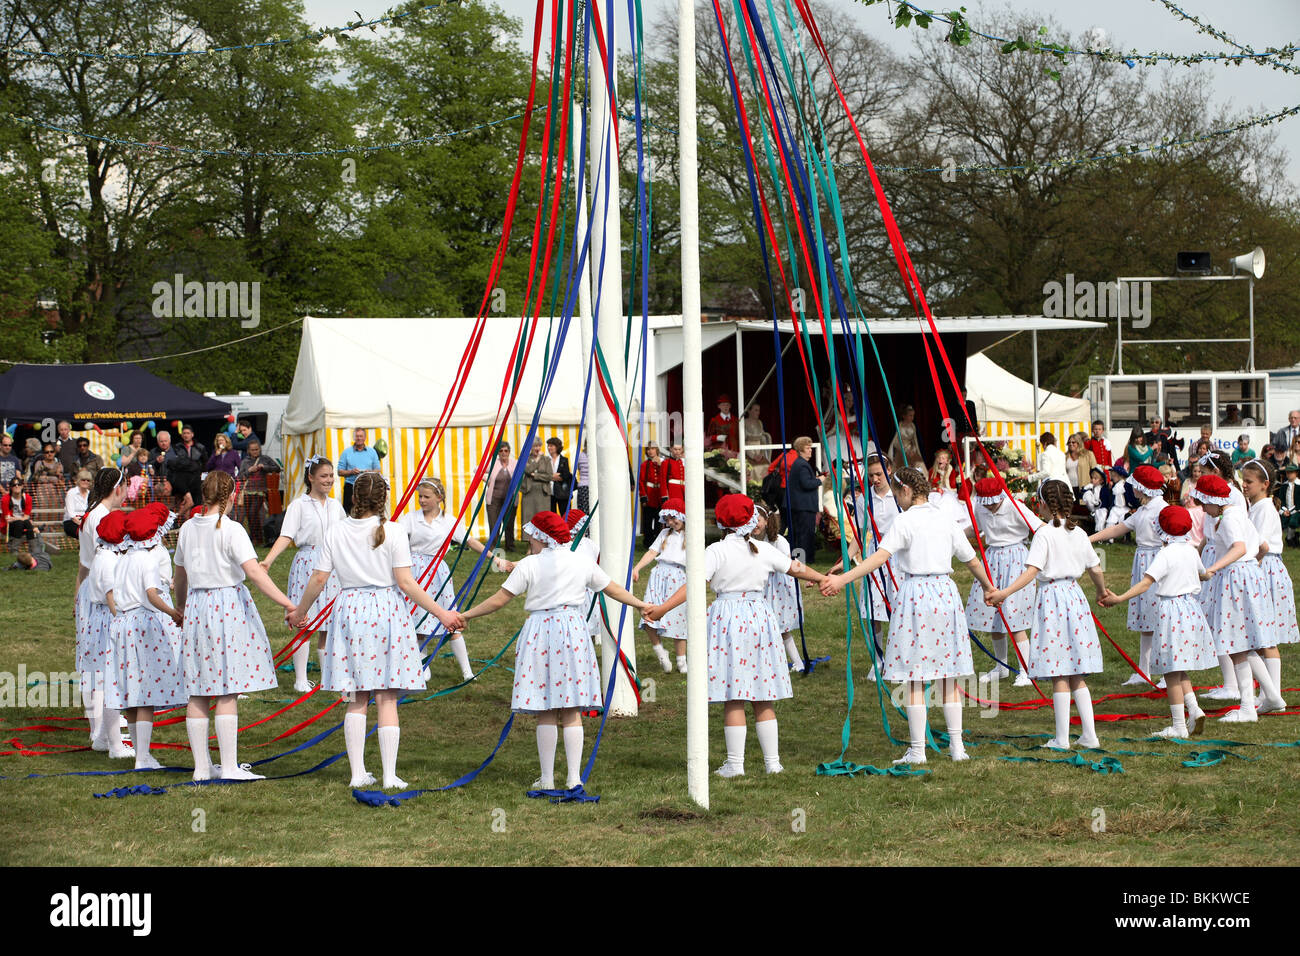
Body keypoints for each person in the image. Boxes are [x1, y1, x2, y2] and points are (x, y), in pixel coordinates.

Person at [290, 472, 465, 789]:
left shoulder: (337, 531)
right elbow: (407, 583)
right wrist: (443, 613)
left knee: (357, 695)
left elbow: (318, 578)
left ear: (353, 498)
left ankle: (358, 774)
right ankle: (388, 775)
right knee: (386, 696)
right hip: (386, 610)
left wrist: (300, 611)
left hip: (350, 610)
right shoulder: (394, 531)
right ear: (383, 499)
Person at [462, 511, 647, 792]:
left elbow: (500, 600)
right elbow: (613, 589)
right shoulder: (580, 562)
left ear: (540, 536)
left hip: (539, 633)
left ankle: (548, 778)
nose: (529, 542)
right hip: (572, 631)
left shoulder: (530, 564)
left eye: (531, 537)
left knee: (545, 707)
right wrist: (641, 605)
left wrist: (466, 615)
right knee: (571, 708)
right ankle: (573, 777)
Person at [821, 468, 996, 764]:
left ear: (904, 491)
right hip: (945, 594)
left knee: (914, 678)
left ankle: (918, 750)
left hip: (916, 595)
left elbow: (879, 557)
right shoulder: (945, 518)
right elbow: (972, 559)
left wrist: (842, 579)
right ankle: (957, 747)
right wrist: (990, 588)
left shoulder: (904, 520)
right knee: (947, 675)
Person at [647, 494, 826, 776]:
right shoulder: (762, 548)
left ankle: (735, 764)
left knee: (733, 694)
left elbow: (693, 585)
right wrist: (822, 578)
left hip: (727, 619)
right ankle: (773, 763)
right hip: (759, 617)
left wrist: (661, 610)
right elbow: (796, 567)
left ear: (720, 522)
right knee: (762, 695)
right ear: (750, 521)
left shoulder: (715, 551)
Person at [175, 471, 297, 782]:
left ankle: (202, 768)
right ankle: (227, 766)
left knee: (199, 690)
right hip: (225, 606)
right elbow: (255, 573)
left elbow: (181, 575)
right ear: (232, 497)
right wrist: (288, 603)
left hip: (198, 608)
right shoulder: (232, 530)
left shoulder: (187, 528)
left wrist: (181, 606)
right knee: (227, 689)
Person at [985, 480, 1107, 750]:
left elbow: (1031, 571)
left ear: (1044, 503)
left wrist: (1004, 593)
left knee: (1059, 672)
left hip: (1052, 599)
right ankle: (1089, 734)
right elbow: (1096, 568)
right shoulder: (1078, 532)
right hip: (1075, 598)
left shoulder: (1044, 534)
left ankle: (1062, 739)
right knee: (1076, 671)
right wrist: (1101, 592)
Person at [1099, 506, 1214, 738]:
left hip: (1172, 611)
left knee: (1170, 671)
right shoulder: (1191, 551)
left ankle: (1179, 726)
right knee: (1178, 665)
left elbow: (1145, 583)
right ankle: (1194, 709)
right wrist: (1207, 573)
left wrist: (1119, 598)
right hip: (1191, 609)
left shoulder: (1166, 554)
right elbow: (1203, 573)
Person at [1190, 473, 1286, 722]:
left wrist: (1212, 568)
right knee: (1241, 641)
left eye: (1204, 503)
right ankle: (1272, 697)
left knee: (1235, 642)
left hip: (1236, 579)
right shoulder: (1236, 515)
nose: (1203, 509)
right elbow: (1261, 547)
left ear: (1213, 500)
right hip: (1246, 576)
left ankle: (1247, 707)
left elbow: (1240, 547)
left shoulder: (1231, 517)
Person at [105, 507, 185, 771]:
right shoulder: (148, 559)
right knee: (146, 692)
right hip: (142, 625)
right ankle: (143, 757)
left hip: (122, 623)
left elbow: (116, 594)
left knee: (130, 690)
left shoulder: (123, 557)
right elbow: (152, 594)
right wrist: (173, 612)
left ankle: (141, 754)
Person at [261, 456, 345, 693]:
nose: (328, 480)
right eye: (323, 476)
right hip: (308, 563)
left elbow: (345, 536)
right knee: (304, 621)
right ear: (311, 477)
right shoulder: (299, 505)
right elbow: (286, 535)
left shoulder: (335, 505)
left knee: (328, 624)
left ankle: (328, 676)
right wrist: (267, 561)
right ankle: (300, 678)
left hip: (331, 567)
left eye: (331, 476)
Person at [399, 476, 495, 683]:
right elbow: (394, 538)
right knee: (417, 620)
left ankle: (467, 671)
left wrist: (493, 557)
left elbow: (470, 540)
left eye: (426, 497)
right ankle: (422, 667)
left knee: (452, 620)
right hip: (415, 572)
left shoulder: (449, 521)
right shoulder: (410, 518)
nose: (422, 500)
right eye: (420, 497)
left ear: (439, 498)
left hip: (438, 574)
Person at [1090, 465, 1168, 686]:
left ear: (1143, 488)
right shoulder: (1143, 511)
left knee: (1159, 618)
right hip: (1143, 561)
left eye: (1134, 486)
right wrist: (1090, 539)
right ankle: (1144, 671)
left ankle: (1165, 672)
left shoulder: (1161, 510)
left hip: (1157, 563)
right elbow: (1118, 529)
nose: (1130, 489)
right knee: (1146, 620)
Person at [965, 477, 1042, 688]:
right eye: (986, 502)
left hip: (1015, 560)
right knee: (993, 616)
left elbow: (1040, 528)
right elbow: (975, 529)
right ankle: (1001, 666)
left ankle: (1026, 669)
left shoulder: (1015, 506)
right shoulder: (981, 507)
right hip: (991, 560)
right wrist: (955, 533)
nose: (989, 506)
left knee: (1014, 616)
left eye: (993, 502)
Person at [78, 508, 134, 759]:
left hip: (97, 623)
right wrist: (120, 619)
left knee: (101, 679)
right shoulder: (110, 559)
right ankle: (115, 745)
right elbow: (111, 594)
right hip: (108, 622)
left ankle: (102, 736)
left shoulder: (101, 554)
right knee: (112, 683)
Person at [838, 454, 899, 682]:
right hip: (875, 554)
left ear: (889, 470)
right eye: (871, 475)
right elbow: (860, 533)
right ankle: (878, 660)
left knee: (897, 608)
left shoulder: (900, 495)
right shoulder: (865, 500)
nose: (874, 479)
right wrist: (845, 560)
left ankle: (897, 659)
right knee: (874, 612)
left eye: (879, 474)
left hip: (897, 553)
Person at [1197, 450, 1251, 699]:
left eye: (1205, 472)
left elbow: (1240, 539)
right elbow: (1208, 533)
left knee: (1224, 621)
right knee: (1214, 619)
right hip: (1213, 553)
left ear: (1216, 472)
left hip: (1224, 557)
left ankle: (1234, 685)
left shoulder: (1232, 498)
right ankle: (1229, 682)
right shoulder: (1217, 500)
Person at [1242, 459, 1296, 694]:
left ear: (1264, 484)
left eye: (1248, 482)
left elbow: (1261, 545)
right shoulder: (1256, 506)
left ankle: (1271, 693)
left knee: (1266, 636)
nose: (1244, 485)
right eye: (1243, 480)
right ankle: (1269, 693)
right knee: (1262, 636)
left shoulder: (1263, 508)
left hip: (1267, 569)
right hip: (1264, 567)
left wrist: (1249, 563)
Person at [631, 498, 687, 673]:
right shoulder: (664, 534)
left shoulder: (691, 535)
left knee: (679, 618)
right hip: (659, 576)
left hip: (679, 578)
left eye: (673, 518)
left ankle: (681, 661)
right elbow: (652, 552)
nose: (671, 522)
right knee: (648, 614)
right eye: (667, 519)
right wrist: (637, 567)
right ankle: (661, 653)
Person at [755, 504, 805, 672]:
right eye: (751, 520)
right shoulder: (751, 541)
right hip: (761, 586)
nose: (755, 524)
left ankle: (797, 662)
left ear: (767, 521)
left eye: (758, 520)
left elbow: (790, 563)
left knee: (780, 627)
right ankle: (768, 662)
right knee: (762, 626)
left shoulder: (778, 541)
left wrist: (805, 577)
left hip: (778, 589)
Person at [564, 508, 604, 649]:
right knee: (576, 628)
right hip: (574, 593)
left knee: (591, 623)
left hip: (590, 593)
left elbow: (600, 561)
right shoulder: (564, 547)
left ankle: (589, 652)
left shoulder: (589, 544)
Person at [786, 436, 822, 567]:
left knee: (802, 533)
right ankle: (801, 560)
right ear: (801, 449)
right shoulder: (802, 465)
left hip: (801, 505)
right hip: (803, 506)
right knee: (803, 534)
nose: (810, 450)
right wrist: (820, 480)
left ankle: (803, 559)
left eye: (810, 448)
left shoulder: (800, 463)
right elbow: (806, 484)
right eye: (807, 448)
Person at [237, 441, 281, 544]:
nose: (255, 451)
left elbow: (277, 469)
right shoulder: (245, 461)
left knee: (253, 512)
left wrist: (264, 467)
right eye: (253, 450)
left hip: (261, 491)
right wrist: (249, 470)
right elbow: (240, 476)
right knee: (250, 515)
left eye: (257, 449)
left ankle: (258, 538)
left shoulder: (265, 459)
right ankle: (254, 537)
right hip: (248, 491)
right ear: (248, 451)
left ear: (259, 449)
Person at [337, 428, 381, 515]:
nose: (359, 438)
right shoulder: (346, 452)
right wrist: (351, 472)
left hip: (367, 487)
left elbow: (378, 469)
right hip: (350, 487)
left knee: (367, 512)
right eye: (357, 436)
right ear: (354, 438)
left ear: (365, 438)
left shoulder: (372, 452)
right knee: (348, 513)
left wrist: (369, 472)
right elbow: (339, 471)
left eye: (361, 436)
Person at [484, 442, 517, 550]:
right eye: (501, 450)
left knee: (509, 523)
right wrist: (487, 480)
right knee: (494, 523)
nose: (503, 453)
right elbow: (477, 470)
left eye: (506, 450)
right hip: (494, 499)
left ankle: (510, 546)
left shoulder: (515, 463)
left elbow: (522, 473)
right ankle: (493, 546)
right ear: (498, 453)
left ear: (509, 452)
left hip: (510, 499)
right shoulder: (494, 463)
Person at [165, 427, 204, 508]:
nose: (186, 435)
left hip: (196, 479)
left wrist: (201, 473)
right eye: (184, 433)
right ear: (182, 435)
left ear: (192, 434)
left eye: (188, 433)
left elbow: (205, 462)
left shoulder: (200, 447)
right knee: (184, 503)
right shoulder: (177, 447)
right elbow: (175, 463)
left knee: (196, 505)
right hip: (183, 480)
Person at [638, 441, 666, 551]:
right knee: (648, 521)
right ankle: (648, 541)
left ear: (657, 450)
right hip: (649, 494)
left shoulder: (662, 463)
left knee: (659, 520)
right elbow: (641, 481)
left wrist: (660, 465)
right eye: (648, 449)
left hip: (659, 494)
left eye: (653, 448)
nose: (650, 451)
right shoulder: (644, 465)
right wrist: (643, 496)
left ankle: (658, 540)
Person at [520, 439, 552, 527]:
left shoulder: (546, 460)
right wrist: (537, 459)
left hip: (543, 492)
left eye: (538, 446)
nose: (537, 448)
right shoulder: (525, 458)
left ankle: (543, 538)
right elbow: (528, 470)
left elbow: (549, 476)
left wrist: (536, 475)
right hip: (528, 491)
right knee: (528, 516)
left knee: (543, 517)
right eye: (534, 446)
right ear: (530, 448)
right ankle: (528, 538)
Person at [2, 477, 40, 549]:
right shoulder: (5, 499)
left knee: (26, 522)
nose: (16, 486)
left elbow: (26, 516)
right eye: (14, 485)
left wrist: (16, 518)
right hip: (9, 526)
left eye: (19, 484)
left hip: (23, 524)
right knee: (22, 522)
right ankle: (16, 548)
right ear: (10, 487)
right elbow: (7, 519)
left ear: (22, 486)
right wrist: (21, 519)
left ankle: (33, 548)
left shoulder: (28, 498)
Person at [887, 404, 923, 472]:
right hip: (901, 450)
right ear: (904, 416)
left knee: (918, 464)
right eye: (910, 415)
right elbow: (895, 441)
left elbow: (914, 440)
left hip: (911, 450)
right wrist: (904, 449)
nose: (912, 418)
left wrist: (914, 450)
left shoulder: (913, 426)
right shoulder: (899, 426)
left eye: (913, 416)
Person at [744, 403, 772, 483]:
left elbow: (763, 439)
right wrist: (753, 455)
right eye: (756, 410)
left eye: (759, 410)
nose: (758, 412)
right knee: (754, 469)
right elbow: (743, 440)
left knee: (767, 467)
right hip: (748, 451)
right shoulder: (744, 422)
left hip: (759, 451)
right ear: (749, 411)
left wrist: (761, 454)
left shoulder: (760, 422)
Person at [1065, 432, 1098, 497]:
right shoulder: (1065, 456)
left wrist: (1093, 483)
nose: (1071, 444)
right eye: (1069, 442)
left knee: (1082, 506)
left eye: (1073, 442)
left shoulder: (1088, 454)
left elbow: (1095, 471)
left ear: (1078, 443)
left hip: (1084, 488)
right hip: (1069, 488)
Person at [1275, 461, 1300, 545]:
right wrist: (1284, 510)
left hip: (1297, 510)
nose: (1289, 474)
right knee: (1280, 521)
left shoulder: (1299, 485)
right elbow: (1281, 500)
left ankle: (1290, 539)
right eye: (1287, 472)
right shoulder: (1284, 486)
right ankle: (1292, 536)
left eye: (1291, 472)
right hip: (1286, 510)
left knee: (1293, 521)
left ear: (1296, 473)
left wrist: (1290, 511)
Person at [1081, 466, 1111, 535]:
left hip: (1102, 508)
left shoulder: (1103, 489)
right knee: (1087, 494)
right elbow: (1083, 492)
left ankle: (1100, 533)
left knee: (1101, 518)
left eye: (1095, 478)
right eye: (1092, 478)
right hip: (1094, 508)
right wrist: (1086, 489)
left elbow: (1107, 499)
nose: (1092, 480)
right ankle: (1097, 532)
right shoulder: (1091, 487)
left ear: (1101, 480)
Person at [546, 436, 571, 514]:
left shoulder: (564, 460)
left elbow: (566, 475)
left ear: (557, 447)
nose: (549, 448)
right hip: (549, 493)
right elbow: (543, 474)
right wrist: (553, 476)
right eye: (548, 445)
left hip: (562, 493)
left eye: (551, 445)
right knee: (551, 517)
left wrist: (550, 476)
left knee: (565, 515)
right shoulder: (545, 460)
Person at [574, 440, 591, 513]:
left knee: (583, 511)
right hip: (592, 485)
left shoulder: (580, 455)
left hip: (582, 485)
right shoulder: (594, 455)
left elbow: (577, 468)